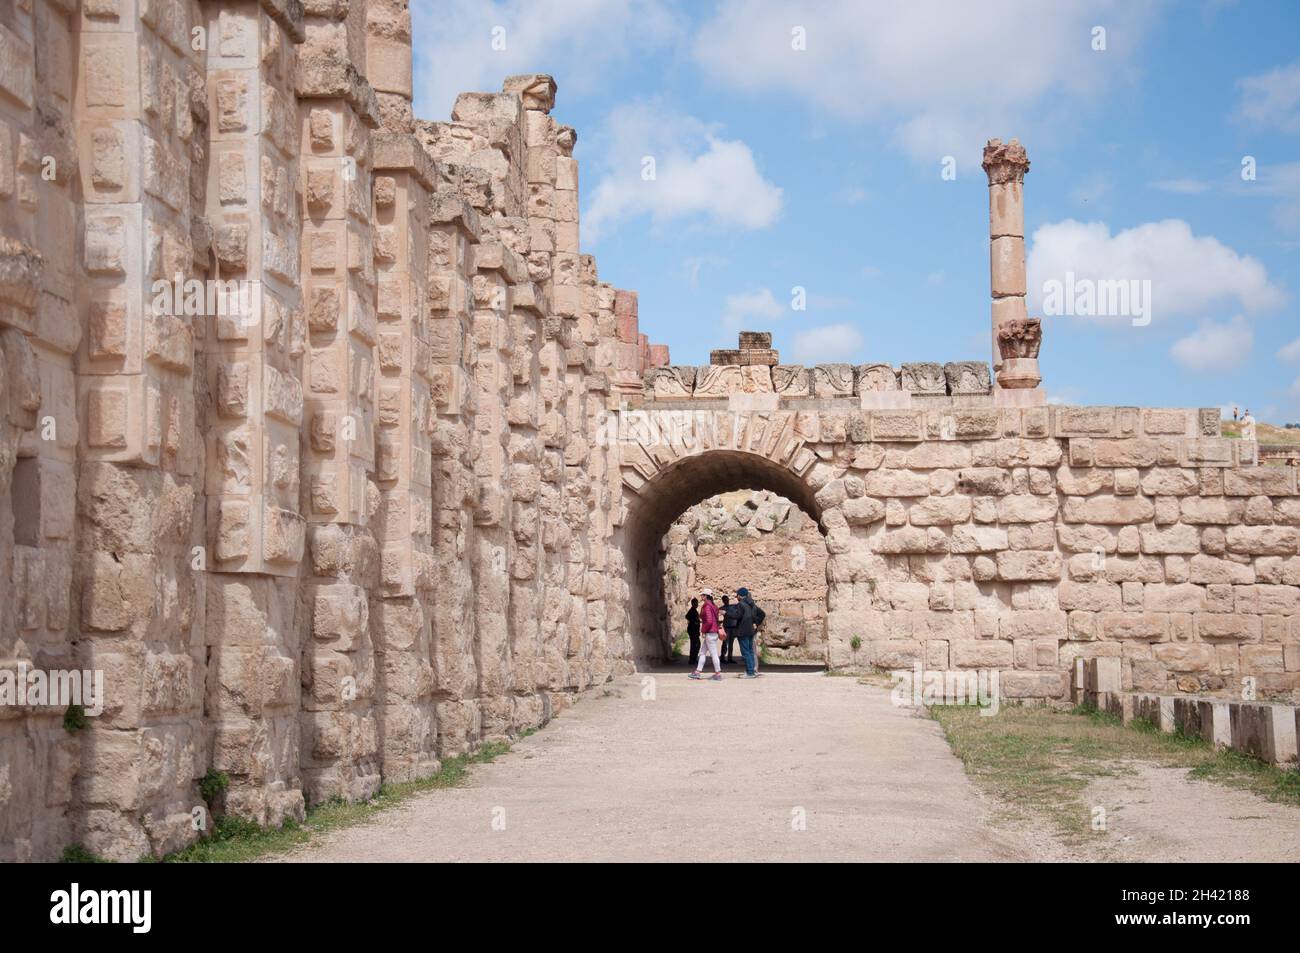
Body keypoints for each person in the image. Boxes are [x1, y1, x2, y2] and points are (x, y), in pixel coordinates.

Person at [689, 589, 723, 681]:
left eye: (702, 595)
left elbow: (708, 621)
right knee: (702, 653)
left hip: (710, 633)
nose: (701, 596)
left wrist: (703, 630)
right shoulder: (714, 606)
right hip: (713, 632)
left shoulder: (707, 606)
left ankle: (718, 673)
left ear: (705, 596)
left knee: (714, 654)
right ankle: (697, 672)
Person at [734, 587, 765, 679]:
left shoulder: (742, 604)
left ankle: (750, 671)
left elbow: (739, 616)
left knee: (746, 652)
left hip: (744, 630)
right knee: (751, 651)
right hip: (752, 630)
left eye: (737, 595)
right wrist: (756, 623)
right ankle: (752, 670)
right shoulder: (752, 605)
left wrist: (726, 613)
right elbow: (762, 614)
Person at [720, 594, 741, 663]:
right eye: (725, 600)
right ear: (723, 601)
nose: (726, 601)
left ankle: (730, 658)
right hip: (727, 628)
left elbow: (739, 605)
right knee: (725, 643)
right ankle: (722, 657)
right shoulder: (722, 608)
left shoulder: (733, 606)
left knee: (731, 644)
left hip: (733, 627)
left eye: (727, 599)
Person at [684, 598, 700, 665]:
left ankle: (693, 658)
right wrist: (694, 621)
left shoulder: (694, 610)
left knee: (696, 644)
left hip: (694, 630)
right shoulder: (692, 610)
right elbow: (687, 616)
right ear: (693, 604)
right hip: (693, 630)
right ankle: (692, 659)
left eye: (697, 603)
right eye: (695, 603)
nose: (697, 604)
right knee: (695, 645)